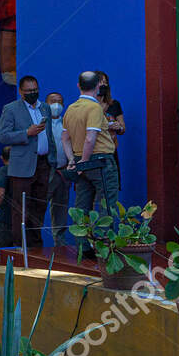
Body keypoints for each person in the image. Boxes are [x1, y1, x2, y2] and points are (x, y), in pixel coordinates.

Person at [62, 71, 119, 258]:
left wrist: (73, 160)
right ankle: (104, 250)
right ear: (98, 87)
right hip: (99, 160)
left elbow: (65, 138)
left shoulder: (71, 108)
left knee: (82, 206)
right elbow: (90, 138)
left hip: (79, 159)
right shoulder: (94, 108)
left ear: (78, 86)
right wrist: (85, 162)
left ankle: (83, 247)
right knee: (106, 205)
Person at [0, 74, 55, 249]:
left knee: (39, 206)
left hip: (43, 163)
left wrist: (53, 158)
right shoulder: (11, 109)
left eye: (35, 90)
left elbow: (49, 135)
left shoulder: (45, 108)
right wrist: (26, 133)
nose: (33, 93)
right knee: (21, 208)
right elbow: (3, 136)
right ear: (21, 92)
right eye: (29, 91)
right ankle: (20, 246)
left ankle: (36, 245)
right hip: (22, 166)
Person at [44, 91, 71, 247]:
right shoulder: (41, 124)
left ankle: (59, 246)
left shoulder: (66, 124)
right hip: (46, 172)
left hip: (63, 172)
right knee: (39, 207)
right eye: (53, 101)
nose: (56, 105)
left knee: (60, 210)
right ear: (46, 103)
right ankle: (33, 246)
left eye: (60, 102)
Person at [95, 69, 125, 190]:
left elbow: (123, 129)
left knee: (110, 190)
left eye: (105, 82)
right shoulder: (87, 105)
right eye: (99, 82)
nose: (103, 85)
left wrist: (118, 127)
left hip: (110, 152)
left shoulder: (114, 104)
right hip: (93, 152)